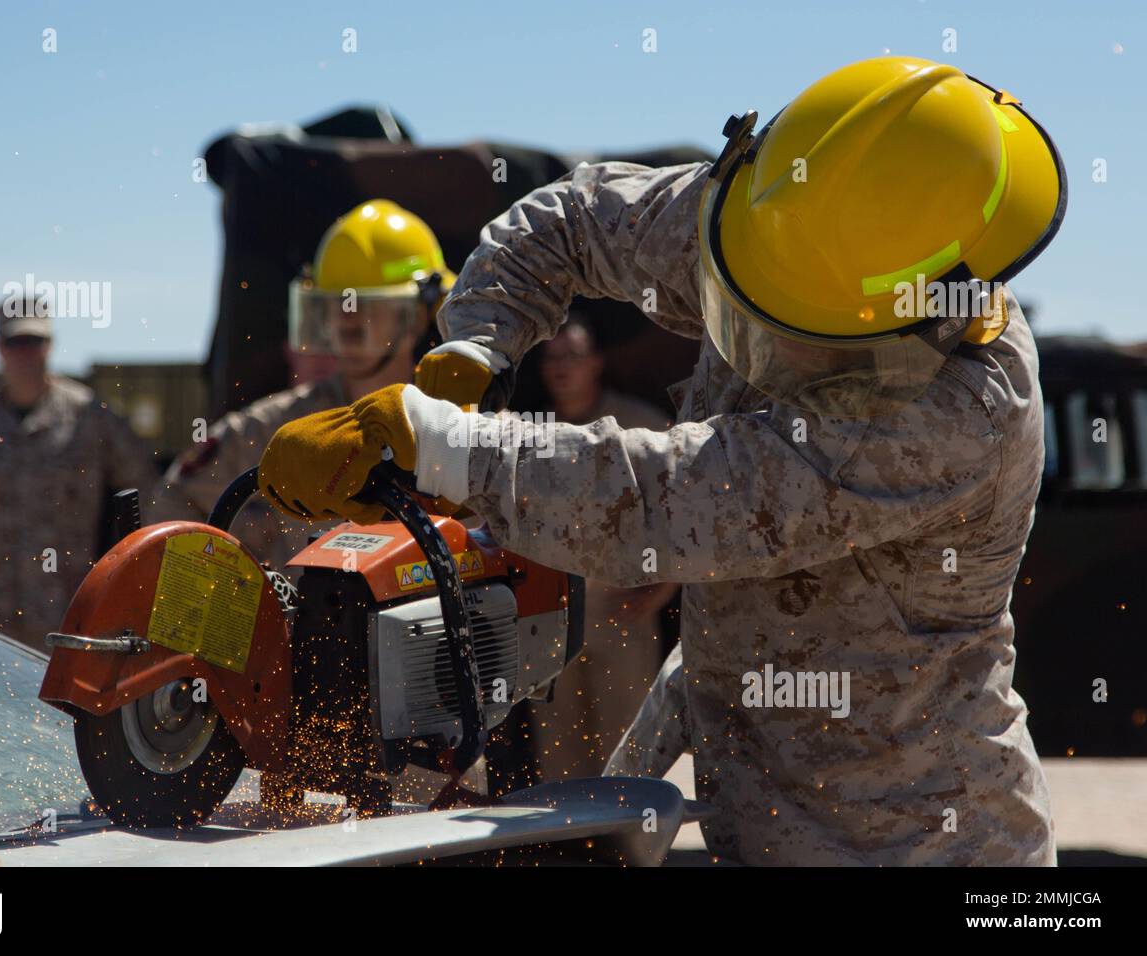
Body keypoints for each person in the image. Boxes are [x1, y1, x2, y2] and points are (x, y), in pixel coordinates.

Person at [254, 57, 1068, 865]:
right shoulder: (768, 223)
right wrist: (474, 343)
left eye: (792, 327)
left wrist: (445, 449)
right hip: (751, 805)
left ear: (920, 305)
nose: (758, 344)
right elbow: (568, 222)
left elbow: (679, 496)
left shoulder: (964, 408)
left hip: (927, 840)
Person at [149, 200, 453, 570]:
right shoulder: (281, 425)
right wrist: (238, 584)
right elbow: (174, 499)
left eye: (367, 304)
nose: (347, 321)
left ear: (418, 317)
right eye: (336, 305)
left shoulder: (455, 425)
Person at [0, 295, 157, 650]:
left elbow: (149, 493)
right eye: (16, 342)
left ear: (50, 344)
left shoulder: (90, 419)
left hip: (70, 623)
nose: (26, 353)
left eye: (35, 341)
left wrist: (131, 587)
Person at [528, 314, 678, 780]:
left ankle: (630, 849)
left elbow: (683, 505)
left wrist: (670, 581)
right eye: (551, 358)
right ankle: (571, 849)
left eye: (571, 356)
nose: (561, 368)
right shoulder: (528, 433)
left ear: (595, 363)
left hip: (621, 611)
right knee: (558, 748)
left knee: (625, 743)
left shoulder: (639, 427)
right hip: (549, 617)